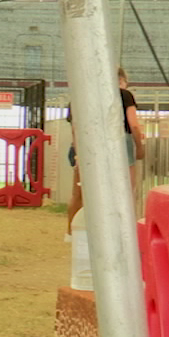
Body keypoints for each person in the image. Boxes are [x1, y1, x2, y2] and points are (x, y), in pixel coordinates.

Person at [65, 66, 146, 237]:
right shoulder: (124, 95)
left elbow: (76, 129)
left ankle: (72, 233)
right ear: (120, 80)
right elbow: (134, 125)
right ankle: (123, 233)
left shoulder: (80, 97)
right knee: (125, 191)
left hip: (87, 144)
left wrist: (79, 153)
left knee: (80, 192)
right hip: (120, 143)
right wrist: (139, 147)